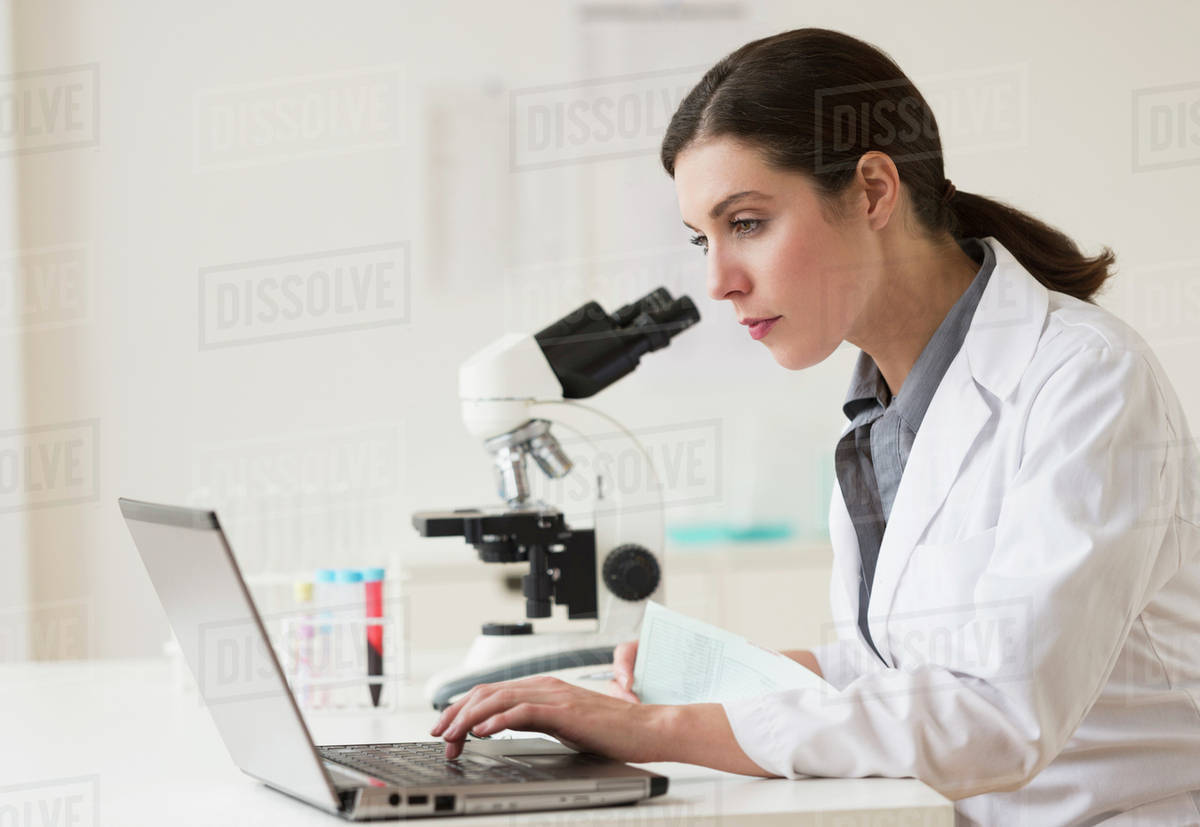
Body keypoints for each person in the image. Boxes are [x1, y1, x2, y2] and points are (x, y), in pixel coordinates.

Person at [431, 28, 1200, 824]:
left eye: (748, 223)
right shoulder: (881, 408)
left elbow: (997, 713)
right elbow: (899, 676)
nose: (718, 280)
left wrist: (657, 727)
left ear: (872, 191)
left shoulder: (1086, 378)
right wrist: (701, 680)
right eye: (704, 238)